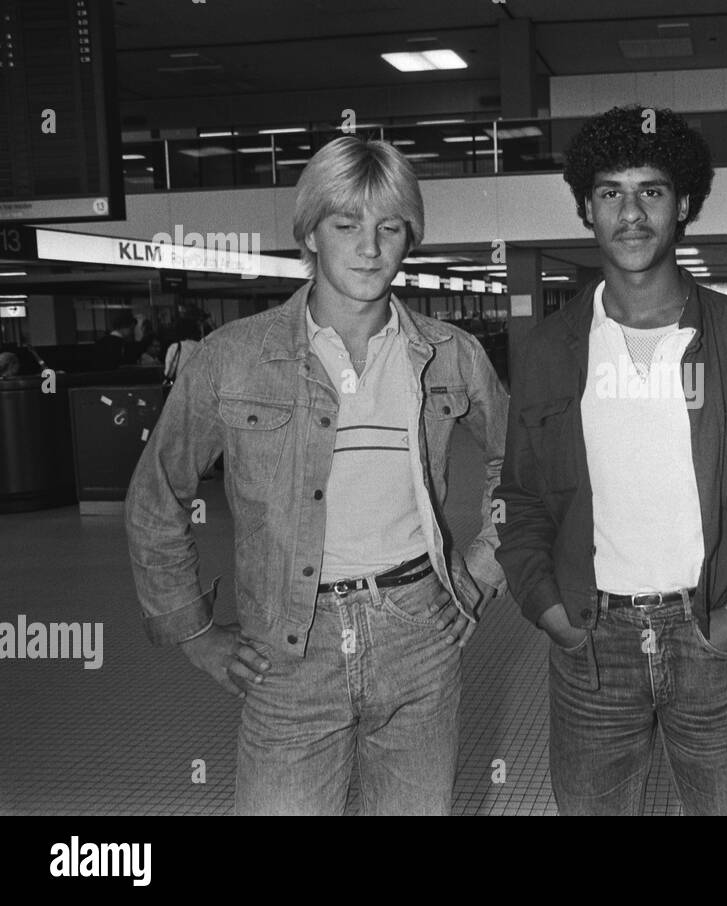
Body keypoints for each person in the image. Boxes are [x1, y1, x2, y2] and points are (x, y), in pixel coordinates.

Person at [125, 136, 510, 815]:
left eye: (390, 228)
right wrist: (193, 632)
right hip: (289, 650)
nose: (370, 247)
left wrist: (479, 570)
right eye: (346, 225)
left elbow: (528, 469)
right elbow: (158, 495)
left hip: (419, 634)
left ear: (409, 239)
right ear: (309, 232)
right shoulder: (232, 359)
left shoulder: (452, 354)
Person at [496, 105, 727, 816]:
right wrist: (548, 609)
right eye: (611, 192)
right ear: (587, 208)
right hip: (591, 645)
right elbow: (520, 500)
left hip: (712, 638)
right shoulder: (548, 352)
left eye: (651, 191)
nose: (631, 212)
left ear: (683, 206)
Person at [163, 317, 202, 383]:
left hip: (180, 386)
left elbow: (168, 373)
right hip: (199, 385)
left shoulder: (175, 348)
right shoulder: (201, 346)